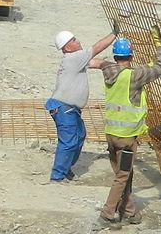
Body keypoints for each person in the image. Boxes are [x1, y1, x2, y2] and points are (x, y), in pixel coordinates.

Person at [94, 36, 153, 223]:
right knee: (122, 176)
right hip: (126, 139)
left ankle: (128, 211)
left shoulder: (108, 70)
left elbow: (99, 62)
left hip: (111, 134)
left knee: (124, 173)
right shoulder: (134, 75)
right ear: (131, 55)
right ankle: (107, 213)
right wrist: (158, 43)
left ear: (115, 55)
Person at [49, 27, 117, 181]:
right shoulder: (74, 58)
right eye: (73, 40)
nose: (77, 41)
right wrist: (114, 34)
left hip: (69, 109)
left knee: (79, 135)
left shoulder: (77, 60)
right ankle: (57, 176)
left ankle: (65, 169)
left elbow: (96, 62)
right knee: (68, 142)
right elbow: (97, 48)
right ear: (67, 47)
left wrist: (117, 66)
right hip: (64, 107)